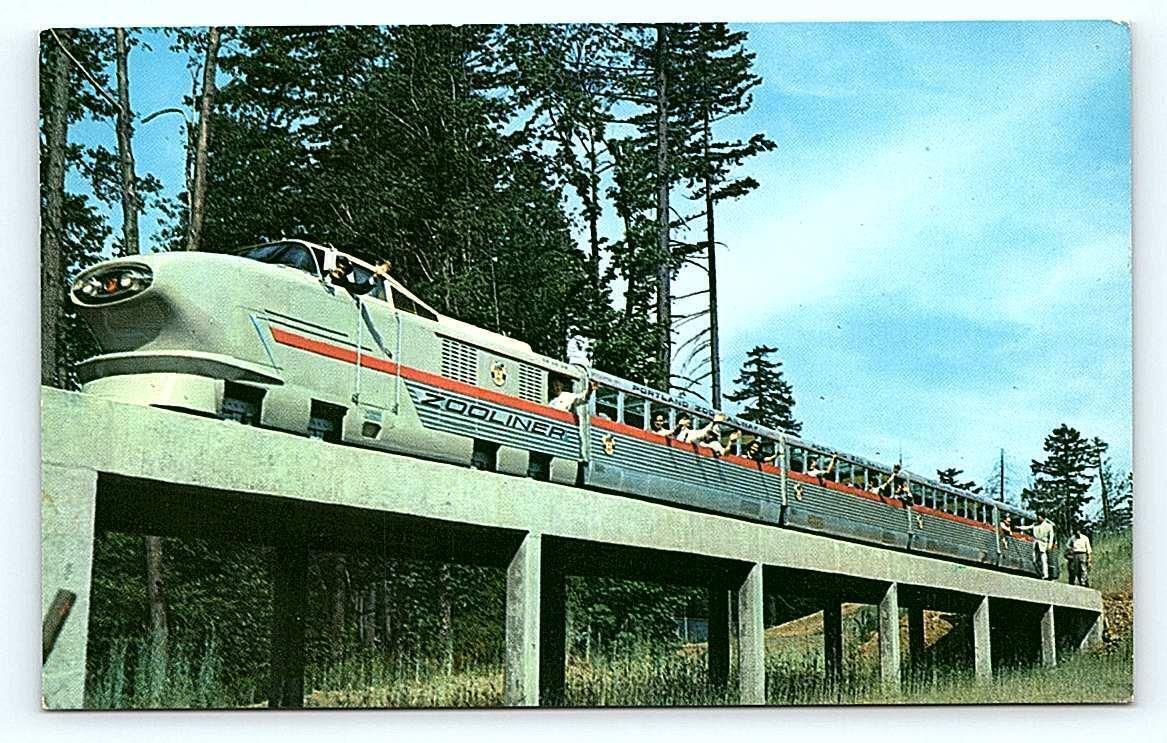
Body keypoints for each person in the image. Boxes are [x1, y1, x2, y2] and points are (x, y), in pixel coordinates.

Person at [1016, 513, 1057, 579]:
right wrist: (1019, 527)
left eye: (1039, 517)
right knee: (1034, 559)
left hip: (1043, 543)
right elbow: (1028, 527)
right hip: (1036, 542)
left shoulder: (1049, 526)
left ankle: (1045, 575)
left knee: (1044, 559)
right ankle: (1039, 572)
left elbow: (1051, 536)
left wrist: (1049, 545)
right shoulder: (1035, 524)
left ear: (1043, 518)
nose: (1038, 518)